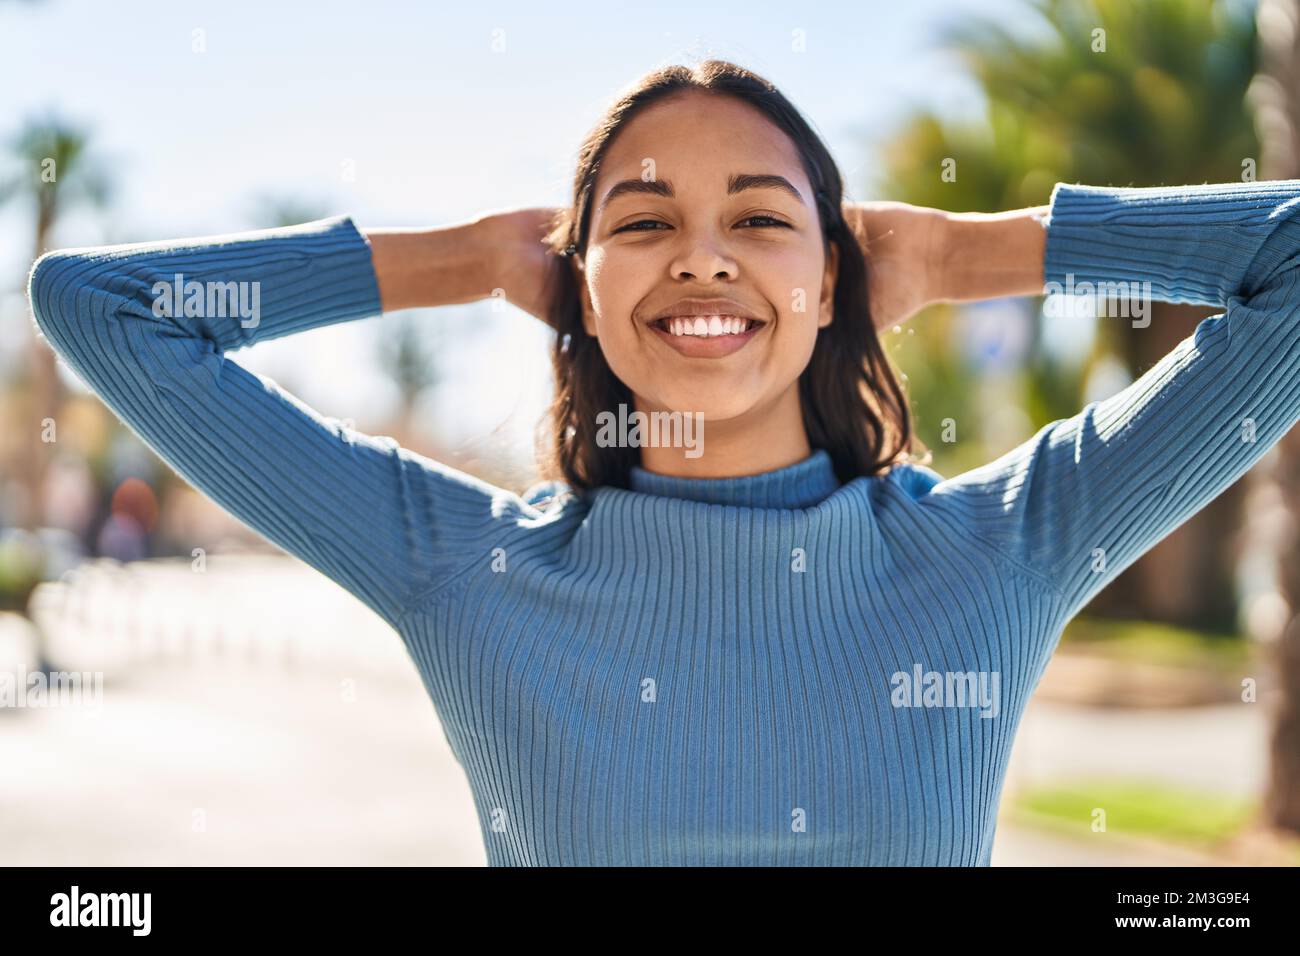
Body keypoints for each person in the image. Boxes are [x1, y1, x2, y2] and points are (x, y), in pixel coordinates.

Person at [26, 59, 1300, 866]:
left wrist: (977, 255)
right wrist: (463, 258)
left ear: (829, 281)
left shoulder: (1000, 549)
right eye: (641, 223)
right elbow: (100, 308)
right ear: (577, 286)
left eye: (759, 217)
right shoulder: (461, 567)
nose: (702, 257)